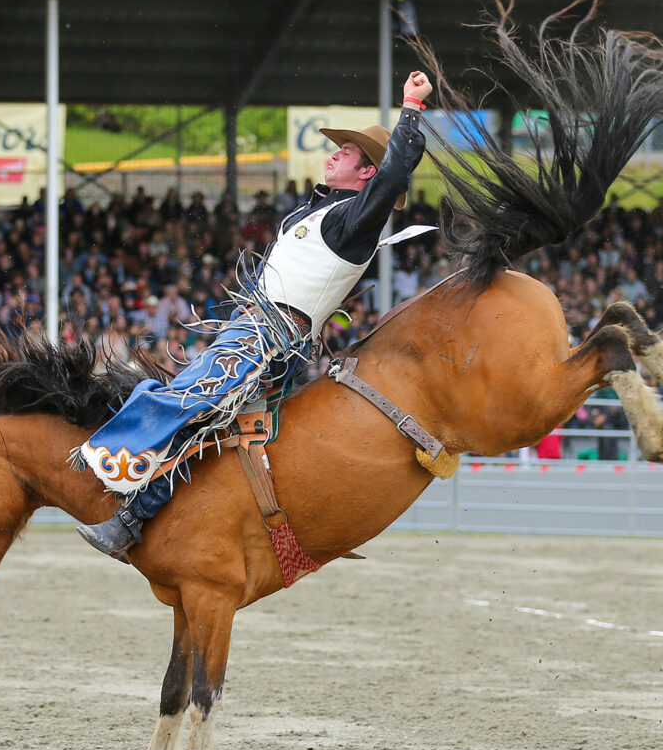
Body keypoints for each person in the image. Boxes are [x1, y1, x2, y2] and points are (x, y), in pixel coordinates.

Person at [73, 70, 434, 560]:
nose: (333, 153)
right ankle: (141, 507)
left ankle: (118, 502)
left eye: (346, 152)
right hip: (257, 328)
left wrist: (410, 109)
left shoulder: (354, 220)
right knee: (192, 410)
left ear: (367, 172)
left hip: (270, 336)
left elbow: (394, 177)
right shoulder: (320, 213)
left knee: (189, 402)